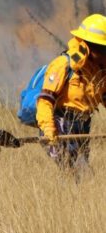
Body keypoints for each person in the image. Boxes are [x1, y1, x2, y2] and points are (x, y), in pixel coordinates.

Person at [36, 13, 106, 171]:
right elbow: (45, 100)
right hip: (60, 123)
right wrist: (48, 129)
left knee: (79, 175)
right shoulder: (63, 65)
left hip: (83, 126)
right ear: (87, 44)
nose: (104, 53)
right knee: (76, 171)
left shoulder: (100, 70)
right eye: (101, 48)